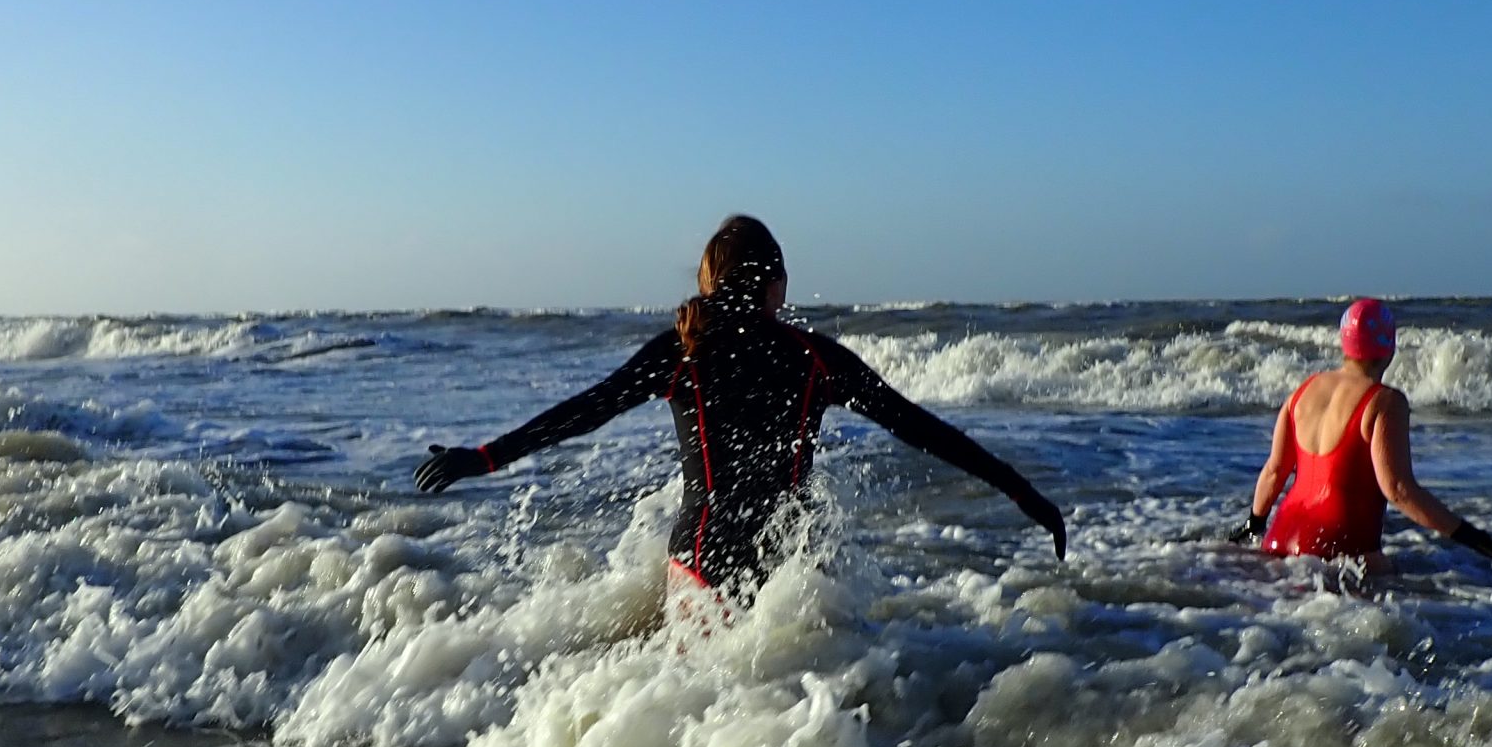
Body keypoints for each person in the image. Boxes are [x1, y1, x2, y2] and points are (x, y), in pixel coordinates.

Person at [414, 216, 1067, 598]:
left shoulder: (683, 350)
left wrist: (485, 458)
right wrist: (1021, 491)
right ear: (776, 284)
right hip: (786, 576)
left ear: (709, 282)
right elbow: (921, 428)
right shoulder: (817, 359)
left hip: (699, 565)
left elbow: (586, 410)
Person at [1237, 298, 1492, 573]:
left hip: (1279, 541)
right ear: (1390, 347)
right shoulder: (1385, 402)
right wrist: (1480, 541)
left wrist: (1253, 524)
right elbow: (1397, 489)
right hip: (1339, 552)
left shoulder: (1302, 393)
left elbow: (1275, 470)